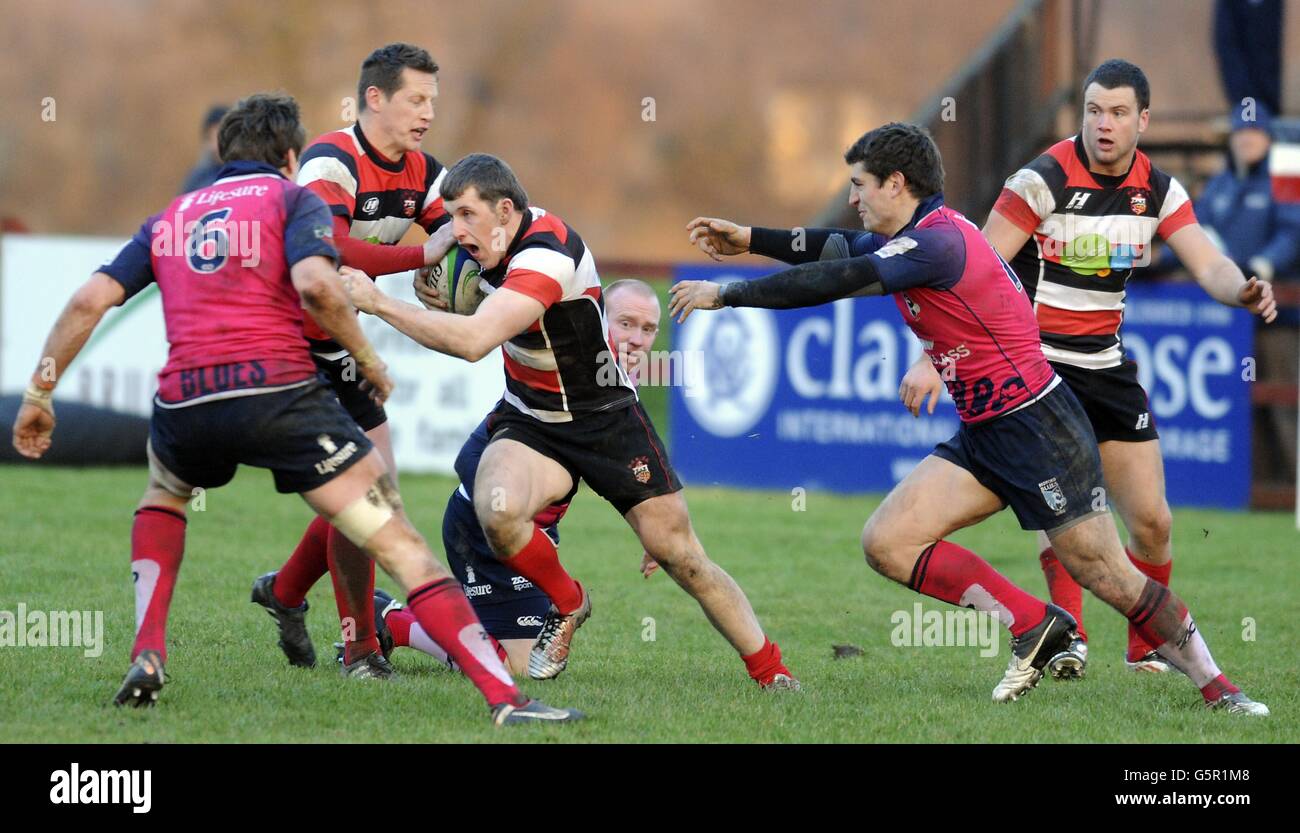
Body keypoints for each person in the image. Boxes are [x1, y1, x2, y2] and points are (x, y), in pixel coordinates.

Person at [9, 93, 580, 725]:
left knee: (164, 497)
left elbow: (90, 300)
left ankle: (149, 650)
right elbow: (316, 284)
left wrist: (40, 392)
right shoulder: (292, 199)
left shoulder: (169, 217)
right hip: (281, 393)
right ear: (289, 157)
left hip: (185, 398)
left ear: (222, 154)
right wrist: (367, 356)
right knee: (394, 537)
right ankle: (506, 699)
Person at [672, 122, 1267, 713]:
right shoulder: (918, 234)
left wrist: (726, 294)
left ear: (895, 183)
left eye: (859, 185)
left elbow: (835, 277)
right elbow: (834, 247)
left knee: (1106, 574)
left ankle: (1219, 685)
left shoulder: (937, 243)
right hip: (988, 429)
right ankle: (1036, 624)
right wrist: (748, 237)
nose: (852, 198)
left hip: (1039, 430)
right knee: (888, 542)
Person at [343, 153, 799, 689]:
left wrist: (378, 301)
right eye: (451, 215)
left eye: (466, 215)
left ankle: (772, 672)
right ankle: (569, 600)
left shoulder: (547, 255)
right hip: (532, 419)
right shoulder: (486, 247)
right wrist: (442, 292)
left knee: (683, 557)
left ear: (505, 210)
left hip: (605, 419)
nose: (454, 228)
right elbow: (471, 311)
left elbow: (471, 343)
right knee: (498, 508)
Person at [899, 59, 1277, 677]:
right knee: (1065, 517)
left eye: (1119, 112)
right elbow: (975, 270)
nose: (1104, 124)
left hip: (1106, 370)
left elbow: (1209, 264)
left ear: (1143, 120)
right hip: (1036, 370)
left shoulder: (1159, 188)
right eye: (1095, 110)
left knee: (1153, 522)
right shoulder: (1041, 179)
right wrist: (932, 357)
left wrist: (1242, 290)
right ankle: (1067, 637)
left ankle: (1145, 645)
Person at [249, 43, 461, 677]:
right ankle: (360, 646)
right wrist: (426, 256)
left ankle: (285, 593)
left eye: (432, 102)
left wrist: (452, 267)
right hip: (289, 346)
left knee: (375, 499)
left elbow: (464, 226)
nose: (427, 114)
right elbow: (333, 247)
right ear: (374, 99)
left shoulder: (424, 170)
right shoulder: (330, 160)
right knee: (364, 497)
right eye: (415, 100)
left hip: (340, 346)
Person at [372, 279, 664, 675]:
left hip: (531, 536)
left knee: (512, 653)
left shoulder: (619, 386)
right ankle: (393, 622)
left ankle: (446, 616)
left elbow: (625, 471)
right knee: (515, 666)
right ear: (595, 324)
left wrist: (652, 530)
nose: (637, 340)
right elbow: (473, 461)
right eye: (625, 324)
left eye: (649, 330)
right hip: (482, 530)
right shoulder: (561, 379)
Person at [1186, 103, 1299, 483]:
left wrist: (1263, 265)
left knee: (1284, 399)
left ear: (1268, 138)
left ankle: (1293, 486)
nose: (1246, 141)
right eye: (1240, 134)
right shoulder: (1221, 182)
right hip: (1228, 317)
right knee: (1241, 402)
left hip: (1277, 314)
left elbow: (1292, 232)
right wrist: (1162, 261)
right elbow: (1194, 232)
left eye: (1253, 134)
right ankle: (1260, 487)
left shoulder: (1286, 174)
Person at [178, 104, 229, 194]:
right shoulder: (198, 178)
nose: (219, 145)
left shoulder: (246, 174)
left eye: (224, 137)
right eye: (213, 138)